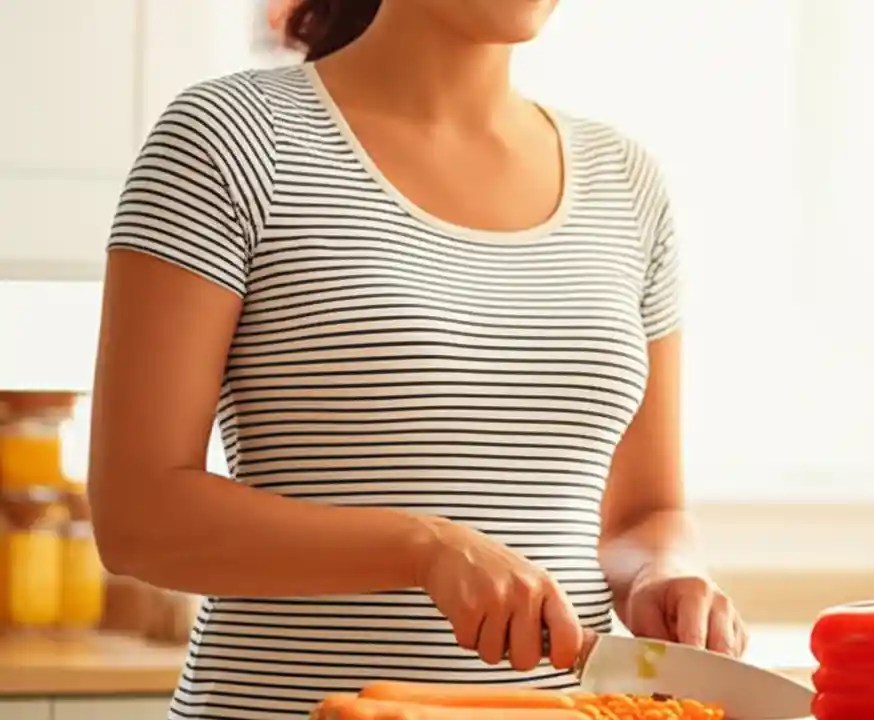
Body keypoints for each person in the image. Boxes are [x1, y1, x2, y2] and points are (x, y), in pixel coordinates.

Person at [86, 1, 747, 717]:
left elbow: (643, 513)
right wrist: (421, 547)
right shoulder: (229, 139)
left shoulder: (627, 182)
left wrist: (662, 572)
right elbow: (139, 520)